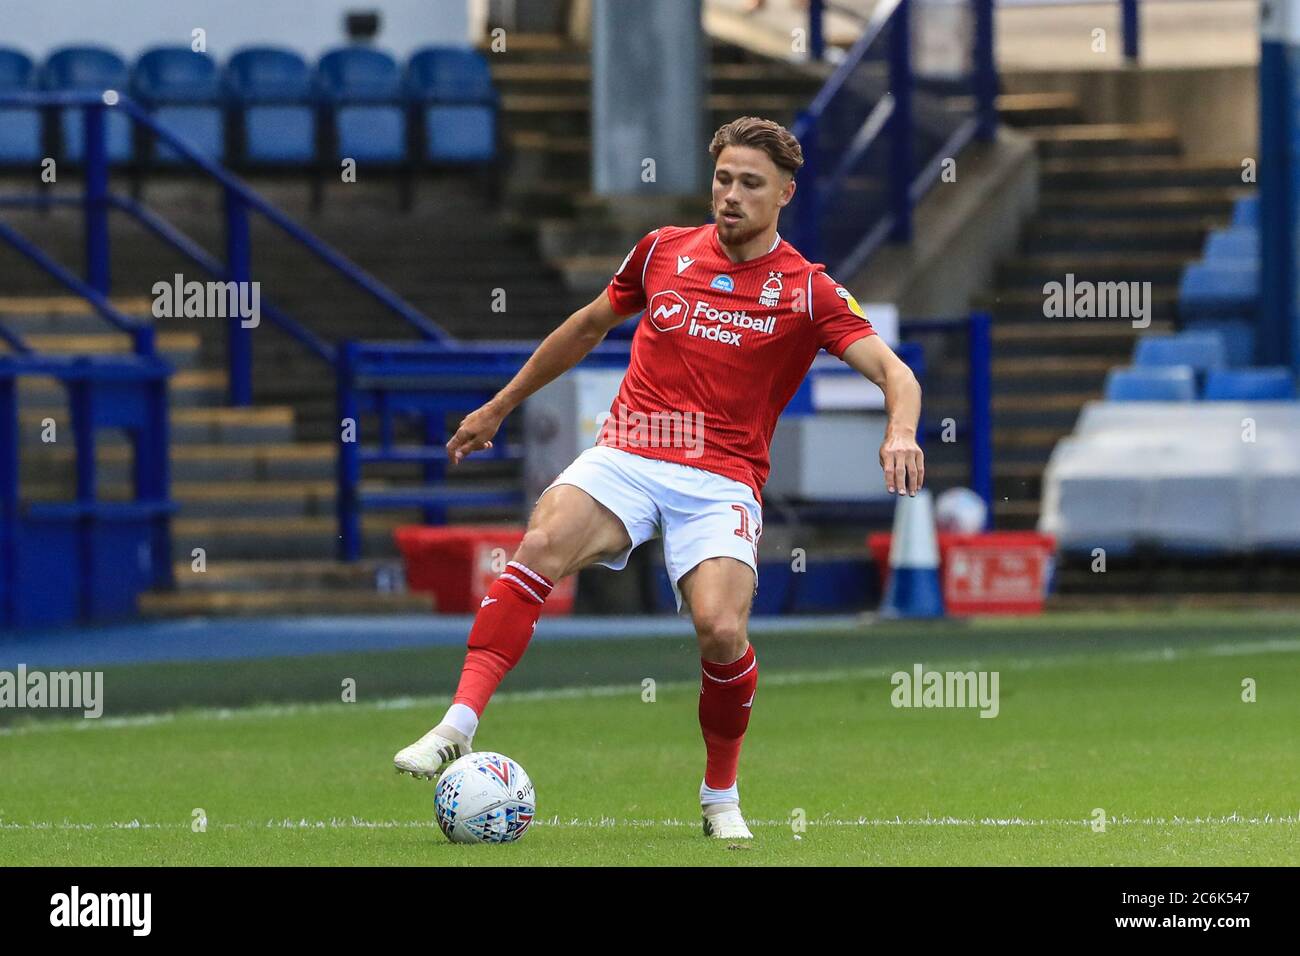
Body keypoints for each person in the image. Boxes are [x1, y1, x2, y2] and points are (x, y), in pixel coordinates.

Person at [394, 116, 924, 839]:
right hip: (633, 451)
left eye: (750, 184)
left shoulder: (808, 290)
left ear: (785, 195)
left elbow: (896, 372)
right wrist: (499, 405)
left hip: (723, 476)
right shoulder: (662, 252)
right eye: (723, 179)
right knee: (543, 543)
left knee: (719, 627)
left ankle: (719, 797)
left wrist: (899, 429)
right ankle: (458, 723)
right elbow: (585, 327)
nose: (730, 195)